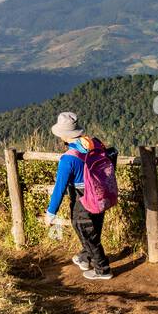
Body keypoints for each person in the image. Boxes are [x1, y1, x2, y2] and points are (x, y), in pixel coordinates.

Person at [45, 111, 114, 280]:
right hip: (100, 193)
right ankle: (85, 258)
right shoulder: (93, 146)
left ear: (62, 135)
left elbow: (59, 188)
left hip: (82, 199)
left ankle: (102, 269)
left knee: (86, 233)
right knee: (93, 231)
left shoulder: (68, 159)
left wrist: (51, 212)